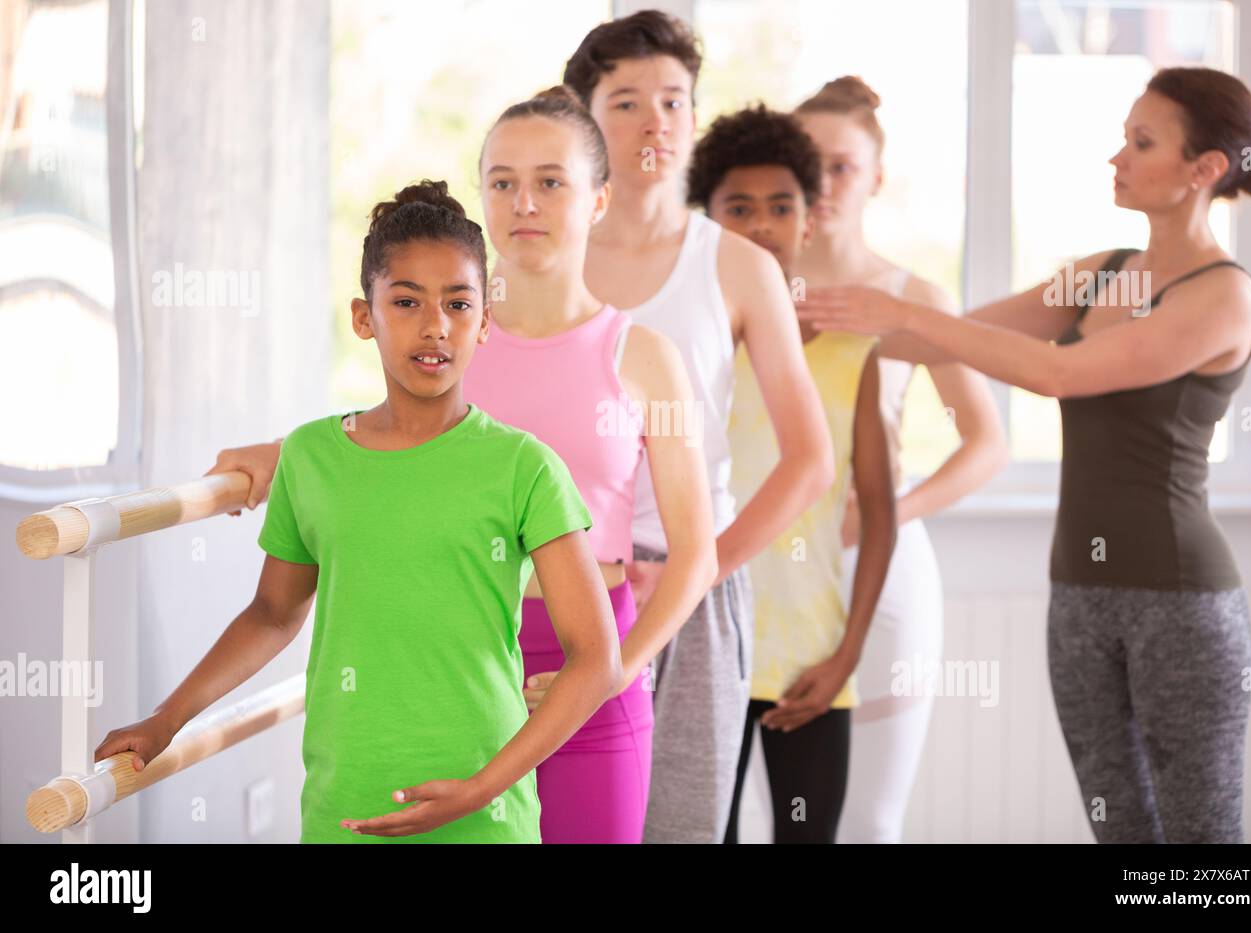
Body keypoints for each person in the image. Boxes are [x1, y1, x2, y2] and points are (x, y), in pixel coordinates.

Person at [797, 66, 1251, 843]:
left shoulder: (1225, 295)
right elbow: (929, 339)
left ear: (1206, 171)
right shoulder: (1103, 276)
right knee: (1121, 833)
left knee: (1201, 847)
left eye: (1141, 142)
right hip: (1077, 593)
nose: (1117, 157)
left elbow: (1057, 373)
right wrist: (813, 310)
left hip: (1182, 604)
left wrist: (904, 310)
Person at [95, 181, 622, 842]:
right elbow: (272, 613)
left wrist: (483, 786)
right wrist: (164, 720)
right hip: (345, 805)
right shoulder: (312, 456)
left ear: (485, 320)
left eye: (458, 303)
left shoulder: (525, 466)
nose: (434, 325)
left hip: (486, 811)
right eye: (406, 301)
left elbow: (597, 658)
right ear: (363, 316)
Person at [560, 7, 835, 844]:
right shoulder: (546, 254)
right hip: (560, 583)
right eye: (629, 100)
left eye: (675, 100)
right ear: (584, 119)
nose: (656, 121)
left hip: (692, 593)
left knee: (680, 828)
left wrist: (701, 567)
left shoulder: (738, 264)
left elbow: (809, 460)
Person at [462, 86, 716, 842]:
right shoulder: (448, 347)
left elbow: (695, 554)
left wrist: (617, 668)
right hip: (464, 662)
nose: (523, 202)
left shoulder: (646, 359)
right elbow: (372, 445)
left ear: (599, 199)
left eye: (551, 181)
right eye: (502, 182)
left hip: (595, 668)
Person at [793, 76, 1008, 842]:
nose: (822, 183)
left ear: (877, 177)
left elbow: (986, 441)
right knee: (778, 816)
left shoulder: (913, 293)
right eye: (806, 162)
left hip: (880, 572)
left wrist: (886, 511)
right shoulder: (743, 287)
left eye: (843, 166)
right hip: (771, 567)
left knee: (870, 820)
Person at [684, 103, 896, 844]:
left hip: (810, 661)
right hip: (700, 648)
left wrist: (846, 655)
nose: (762, 225)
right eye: (738, 207)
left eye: (781, 206)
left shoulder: (852, 355)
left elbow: (880, 510)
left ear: (810, 220)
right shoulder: (683, 354)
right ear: (703, 221)